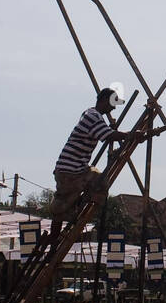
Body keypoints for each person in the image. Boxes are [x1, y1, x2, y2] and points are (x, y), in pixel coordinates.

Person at [49, 88, 129, 239]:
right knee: (101, 183)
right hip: (72, 170)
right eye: (112, 103)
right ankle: (75, 211)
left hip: (69, 168)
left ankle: (56, 238)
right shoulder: (93, 116)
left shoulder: (90, 114)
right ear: (104, 100)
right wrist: (130, 135)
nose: (113, 108)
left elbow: (104, 131)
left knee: (61, 206)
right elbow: (108, 136)